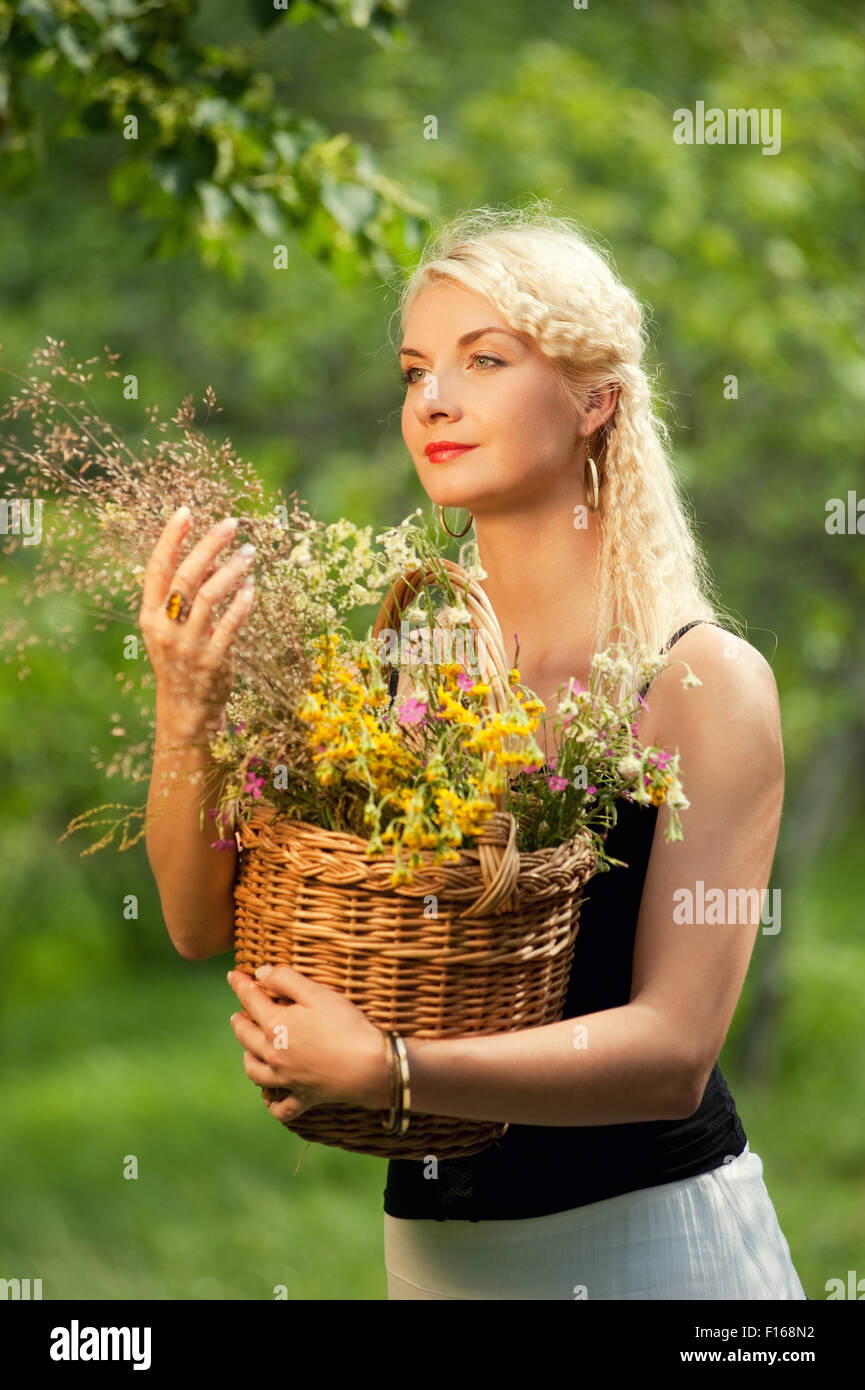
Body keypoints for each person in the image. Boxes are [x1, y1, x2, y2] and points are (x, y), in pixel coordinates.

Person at [140, 201, 807, 1301]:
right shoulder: (407, 670)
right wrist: (186, 712)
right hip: (438, 1261)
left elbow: (673, 1052)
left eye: (484, 359)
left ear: (596, 401)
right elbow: (198, 921)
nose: (433, 400)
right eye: (413, 371)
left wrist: (393, 1072)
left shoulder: (699, 681)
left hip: (652, 1250)